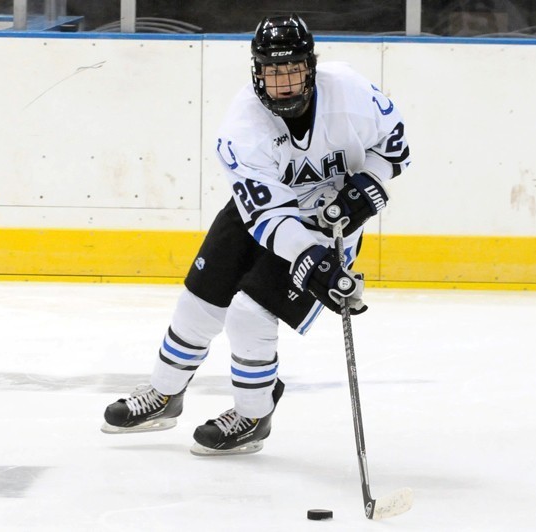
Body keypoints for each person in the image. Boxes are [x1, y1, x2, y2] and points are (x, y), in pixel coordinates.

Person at [102, 13, 410, 456]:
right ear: (256, 72)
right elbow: (268, 218)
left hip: (331, 219)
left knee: (248, 314)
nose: (283, 82)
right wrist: (307, 256)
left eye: (292, 69)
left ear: (311, 67)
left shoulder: (352, 93)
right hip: (270, 214)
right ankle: (165, 394)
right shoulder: (242, 128)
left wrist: (371, 186)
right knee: (199, 300)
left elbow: (396, 148)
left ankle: (253, 414)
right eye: (271, 70)